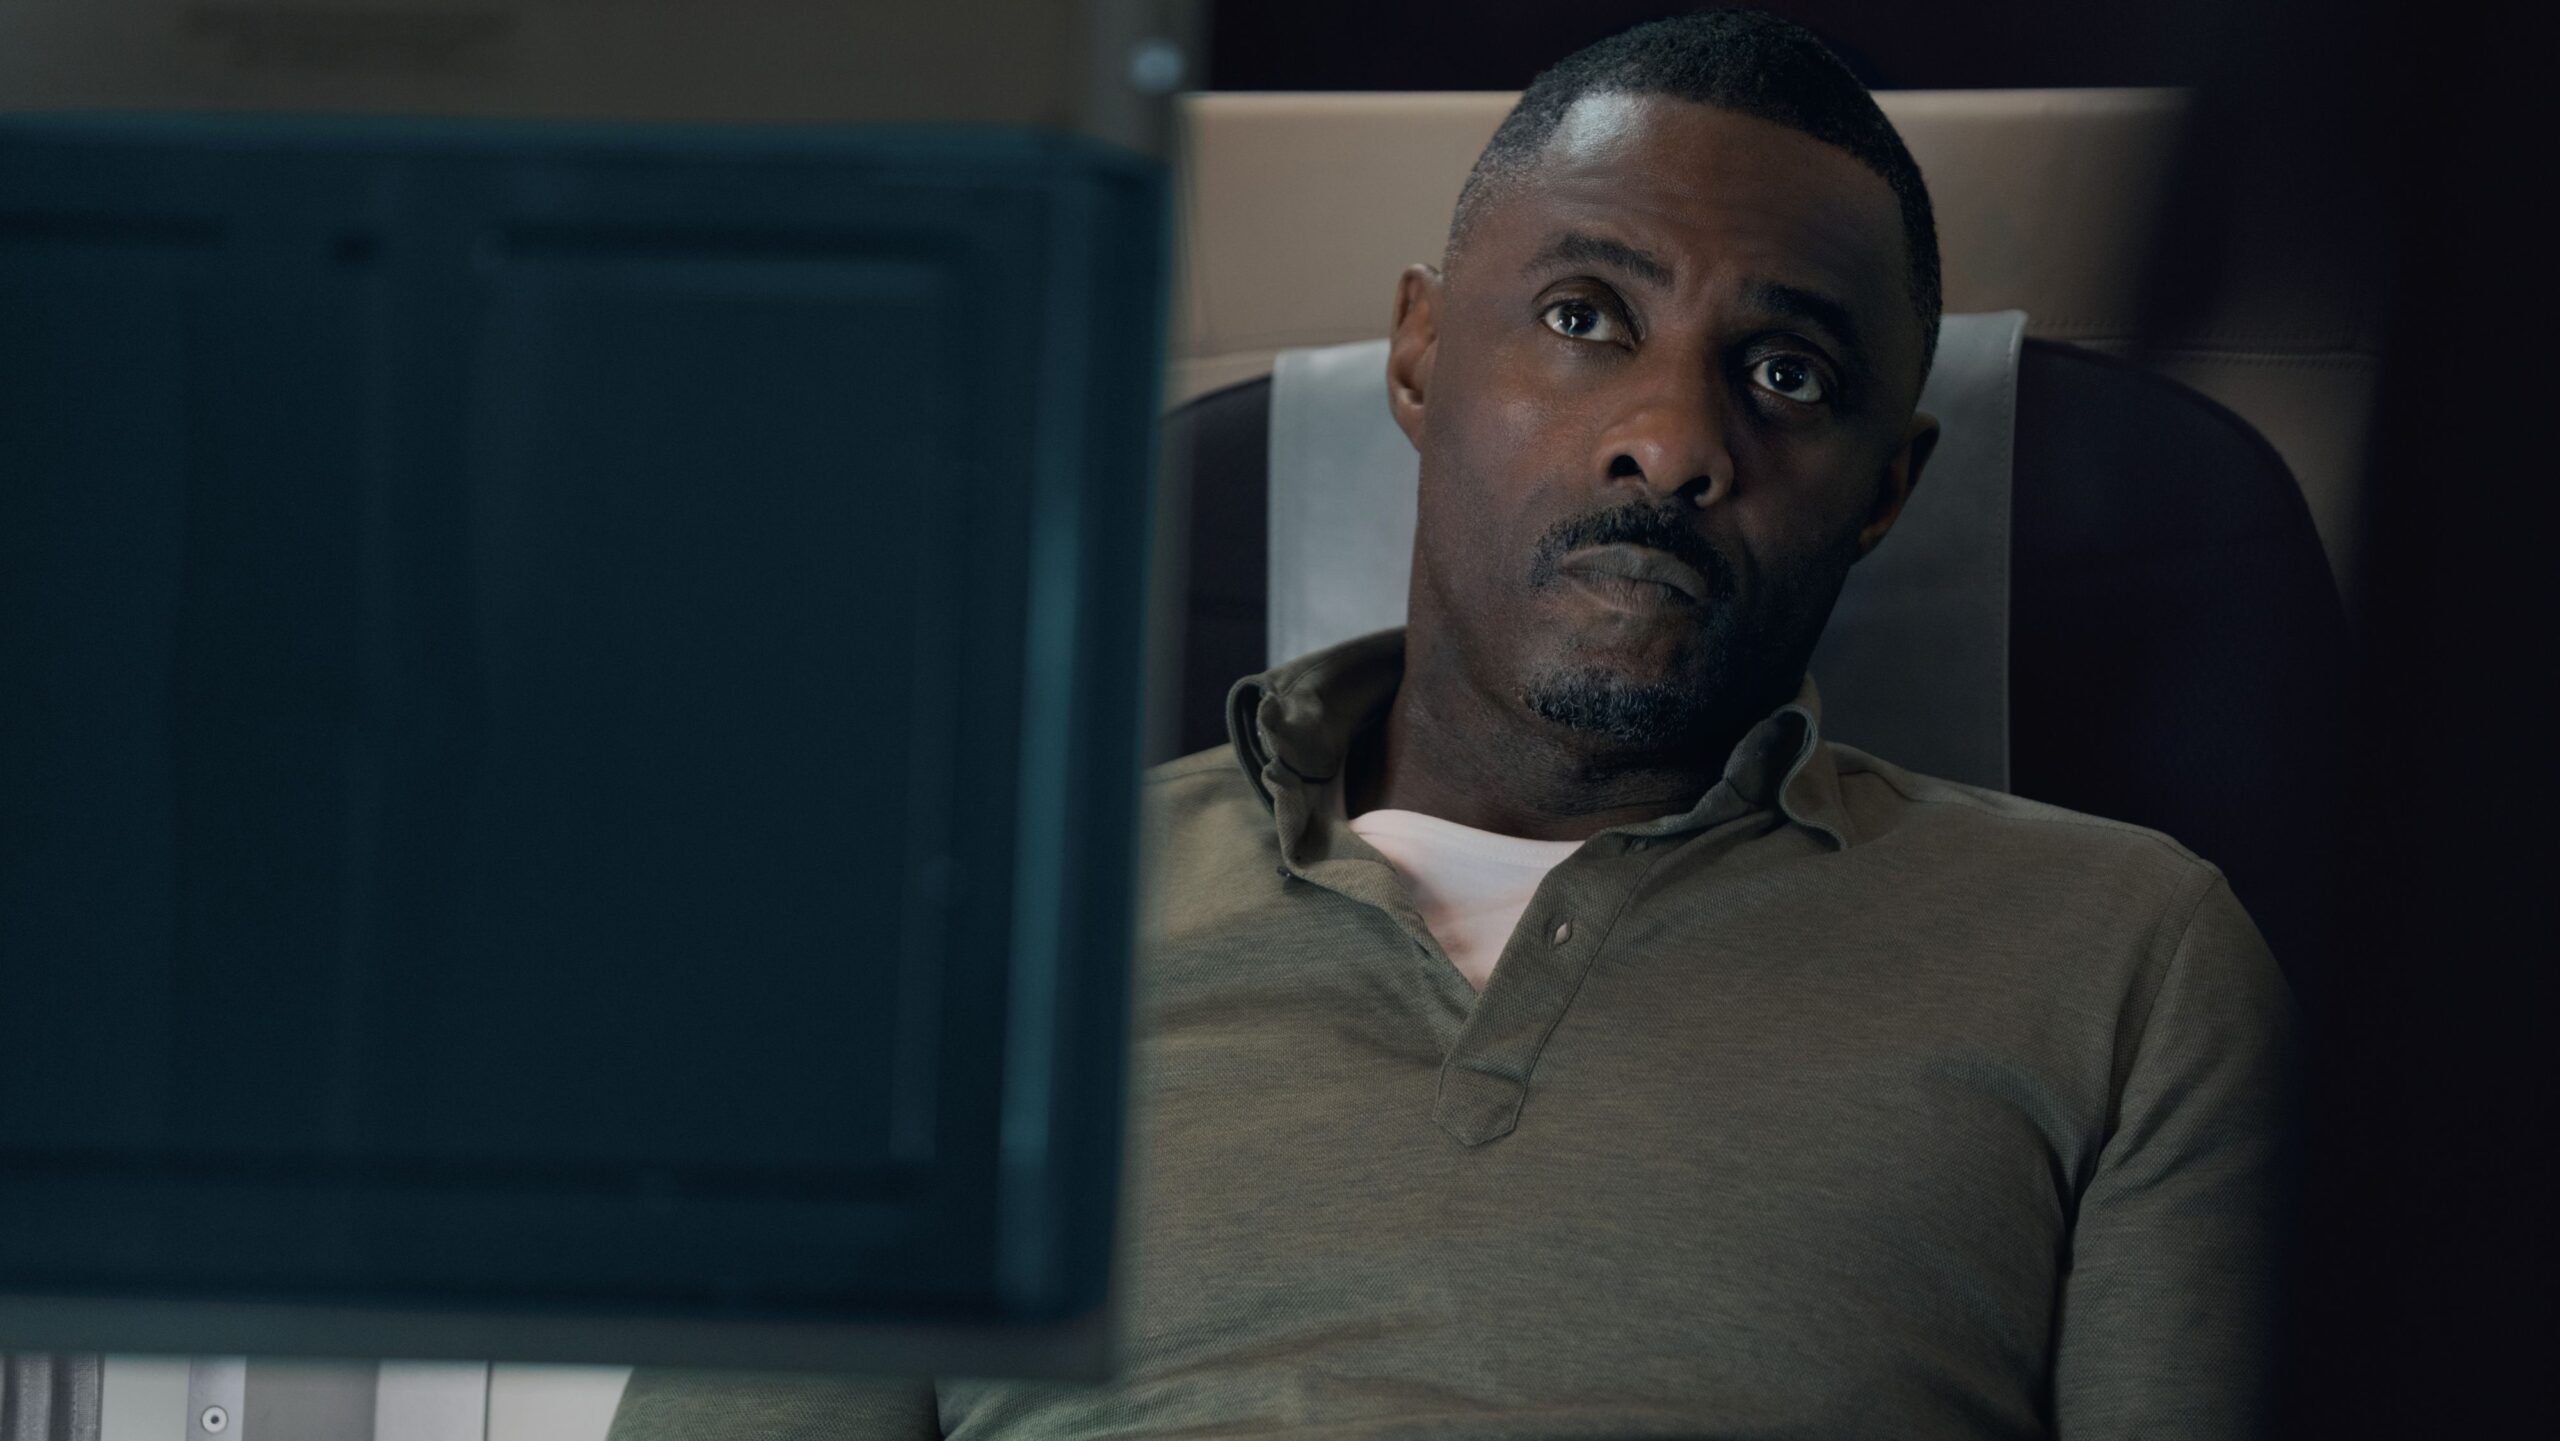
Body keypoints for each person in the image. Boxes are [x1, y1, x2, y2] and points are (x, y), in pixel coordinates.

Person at [609, 9, 2299, 1438]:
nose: (1671, 441)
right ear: (1421, 354)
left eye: (1787, 371)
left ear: (1886, 490)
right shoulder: (958, 936)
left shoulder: (2130, 962)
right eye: (1585, 318)